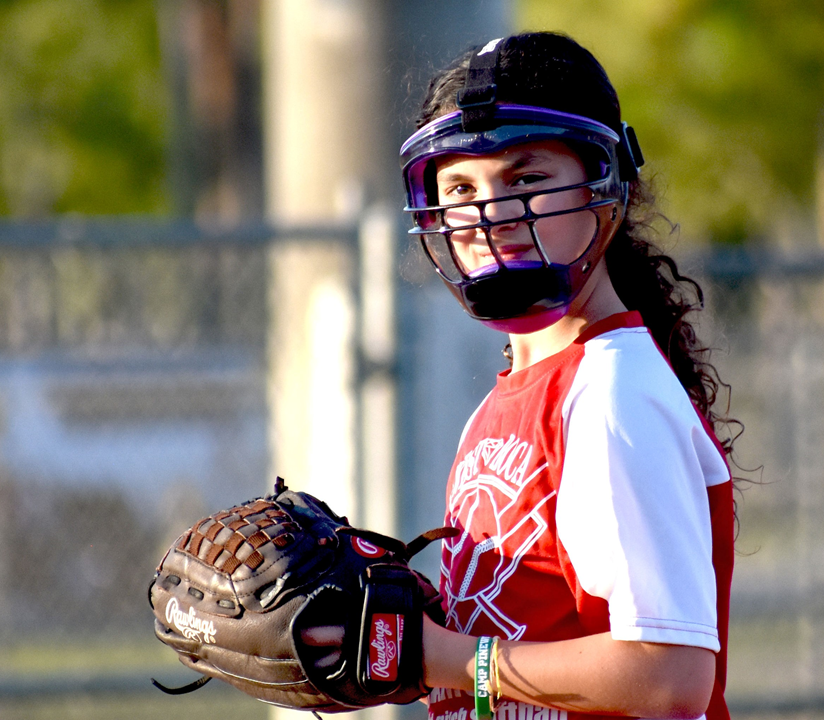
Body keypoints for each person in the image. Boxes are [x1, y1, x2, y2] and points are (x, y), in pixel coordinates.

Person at [311, 31, 736, 720]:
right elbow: (522, 641)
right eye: (460, 187)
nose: (490, 213)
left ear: (605, 186)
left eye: (527, 178)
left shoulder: (611, 391)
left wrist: (438, 657)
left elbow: (670, 677)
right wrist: (378, 645)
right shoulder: (504, 403)